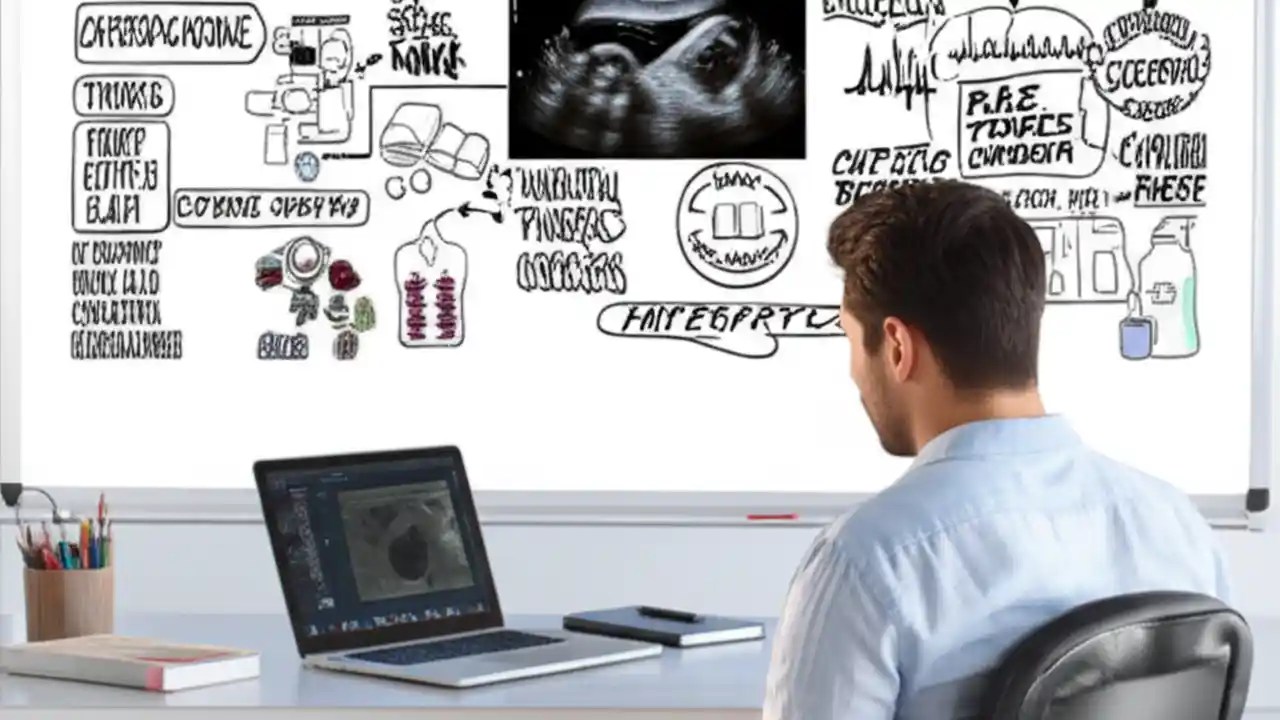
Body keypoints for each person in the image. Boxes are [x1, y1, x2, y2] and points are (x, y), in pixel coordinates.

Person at [763, 180, 1232, 720]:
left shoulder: (868, 562)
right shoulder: (1179, 527)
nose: (851, 372)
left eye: (849, 340)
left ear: (896, 347)